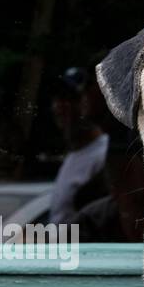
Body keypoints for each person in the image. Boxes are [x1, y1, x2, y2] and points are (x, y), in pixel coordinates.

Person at [47, 67, 109, 223]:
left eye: (71, 99)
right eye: (58, 99)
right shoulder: (75, 154)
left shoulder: (104, 154)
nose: (61, 107)